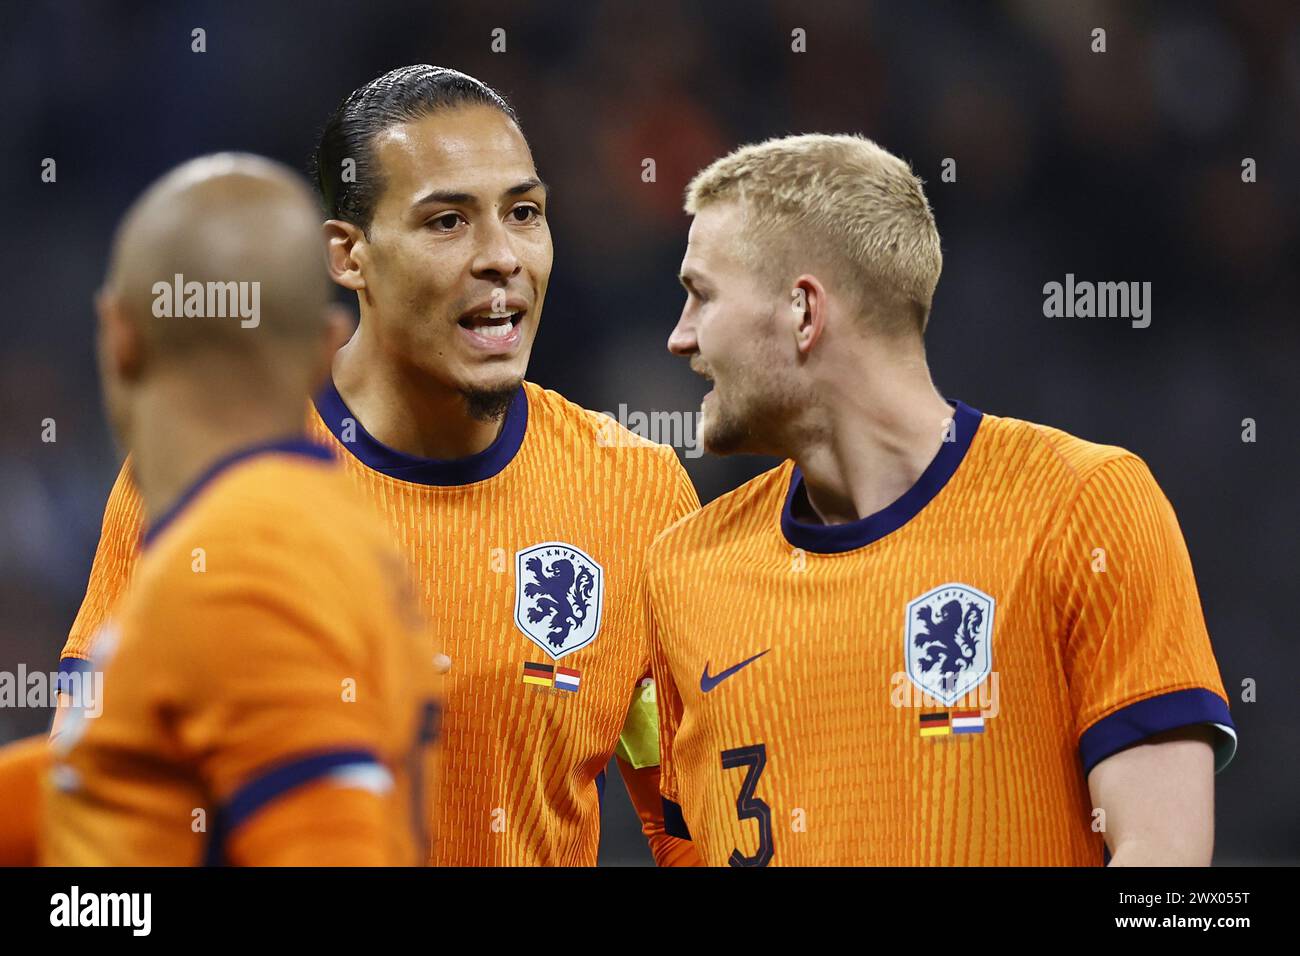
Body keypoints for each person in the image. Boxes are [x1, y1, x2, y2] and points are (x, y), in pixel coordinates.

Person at [57, 66, 700, 866]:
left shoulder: (636, 492)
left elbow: (687, 825)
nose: (502, 256)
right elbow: (95, 812)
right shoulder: (210, 482)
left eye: (524, 213)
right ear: (349, 255)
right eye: (446, 223)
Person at [646, 133, 1236, 866]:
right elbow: (686, 844)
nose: (679, 337)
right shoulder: (682, 570)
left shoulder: (1081, 504)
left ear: (803, 312)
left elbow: (1163, 862)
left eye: (701, 295)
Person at [42, 153, 440, 865]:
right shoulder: (271, 532)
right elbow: (122, 779)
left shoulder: (249, 567)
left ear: (120, 335)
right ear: (324, 352)